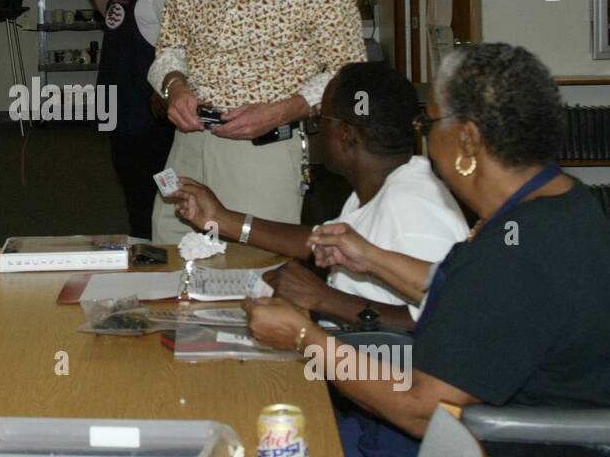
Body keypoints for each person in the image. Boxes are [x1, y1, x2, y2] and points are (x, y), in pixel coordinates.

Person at [243, 43, 610, 457]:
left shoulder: (513, 251)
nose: (425, 139)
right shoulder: (560, 201)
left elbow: (423, 410)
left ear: (467, 140)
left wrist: (305, 337)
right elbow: (472, 286)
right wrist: (371, 257)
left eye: (430, 125)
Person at [169, 61, 467, 330]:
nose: (316, 130)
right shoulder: (383, 188)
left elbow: (448, 319)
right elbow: (322, 241)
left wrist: (324, 299)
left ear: (346, 135)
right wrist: (222, 219)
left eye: (319, 118)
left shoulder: (415, 208)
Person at [148, 0, 365, 243]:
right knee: (171, 254)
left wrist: (283, 111)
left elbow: (350, 76)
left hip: (261, 154)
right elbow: (170, 47)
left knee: (251, 273)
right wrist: (176, 86)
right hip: (190, 143)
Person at [77, 0, 175, 240]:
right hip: (116, 95)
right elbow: (112, 16)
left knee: (150, 176)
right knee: (126, 173)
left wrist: (167, 91)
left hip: (143, 100)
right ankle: (140, 238)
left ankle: (156, 242)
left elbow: (176, 43)